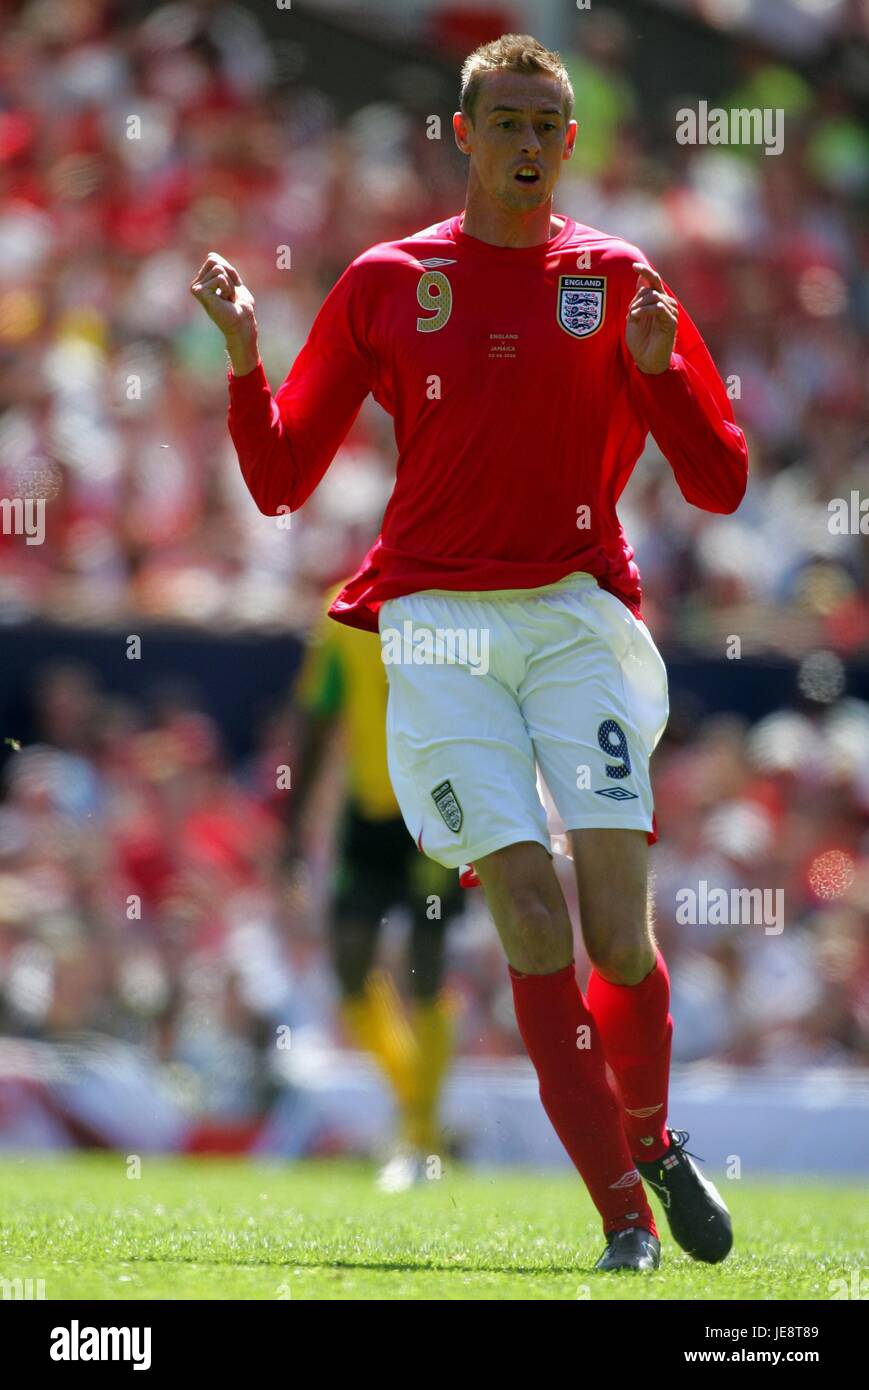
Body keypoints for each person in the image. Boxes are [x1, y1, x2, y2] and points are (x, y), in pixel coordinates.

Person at [191, 33, 748, 1272]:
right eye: (506, 122)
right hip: (435, 627)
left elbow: (718, 479)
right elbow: (281, 479)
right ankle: (621, 1223)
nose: (531, 144)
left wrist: (658, 382)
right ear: (461, 135)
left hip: (573, 617)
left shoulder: (617, 279)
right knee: (536, 926)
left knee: (617, 935)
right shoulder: (389, 281)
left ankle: (650, 1137)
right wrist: (243, 363)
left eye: (548, 125)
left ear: (567, 141)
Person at [284, 581, 463, 1190]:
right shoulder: (342, 608)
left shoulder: (457, 600)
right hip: (368, 812)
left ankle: (419, 1135)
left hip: (439, 811)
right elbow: (317, 717)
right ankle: (421, 1113)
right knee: (351, 968)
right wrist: (292, 826)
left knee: (426, 966)